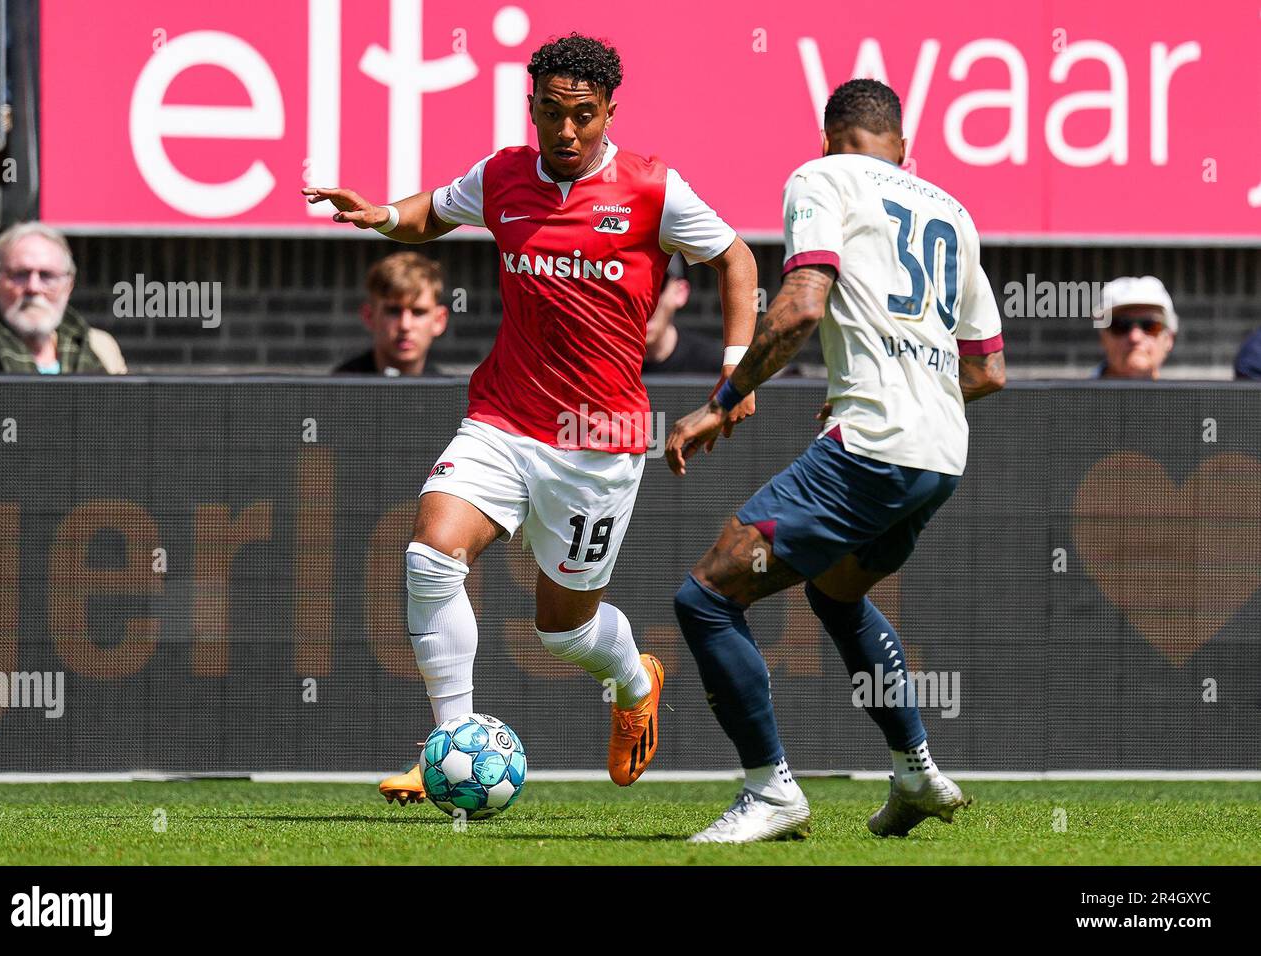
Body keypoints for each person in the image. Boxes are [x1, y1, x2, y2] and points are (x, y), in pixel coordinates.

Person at [304, 33, 757, 805]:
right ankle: (449, 743)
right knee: (430, 556)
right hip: (503, 416)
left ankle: (631, 675)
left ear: (611, 110)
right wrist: (381, 212)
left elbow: (738, 258)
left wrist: (735, 373)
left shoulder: (651, 188)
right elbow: (433, 215)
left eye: (583, 114)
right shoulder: (504, 176)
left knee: (563, 629)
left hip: (597, 441)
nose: (567, 131)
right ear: (533, 109)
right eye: (551, 112)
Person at [667, 79, 1006, 843]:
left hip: (875, 444)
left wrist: (723, 399)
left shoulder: (821, 178)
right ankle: (915, 771)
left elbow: (800, 305)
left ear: (827, 141)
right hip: (940, 453)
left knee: (708, 600)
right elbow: (987, 372)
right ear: (903, 149)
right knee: (837, 596)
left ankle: (771, 792)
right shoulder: (953, 211)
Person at [0, 222, 125, 374]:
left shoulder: (101, 348)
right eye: (20, 274)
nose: (34, 287)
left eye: (47, 276)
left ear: (68, 286)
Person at [333, 252, 450, 376]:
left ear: (439, 320)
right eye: (393, 311)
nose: (405, 325)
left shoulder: (451, 393)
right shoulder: (339, 389)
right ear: (369, 316)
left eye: (418, 312)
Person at [642, 254, 720, 374]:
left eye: (657, 285)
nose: (644, 300)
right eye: (630, 288)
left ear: (680, 293)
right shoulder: (605, 366)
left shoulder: (714, 365)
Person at [1090, 275, 1177, 379]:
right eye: (1121, 326)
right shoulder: (1073, 395)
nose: (1135, 337)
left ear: (1169, 339)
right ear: (1103, 339)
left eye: (1150, 326)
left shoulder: (1190, 395)